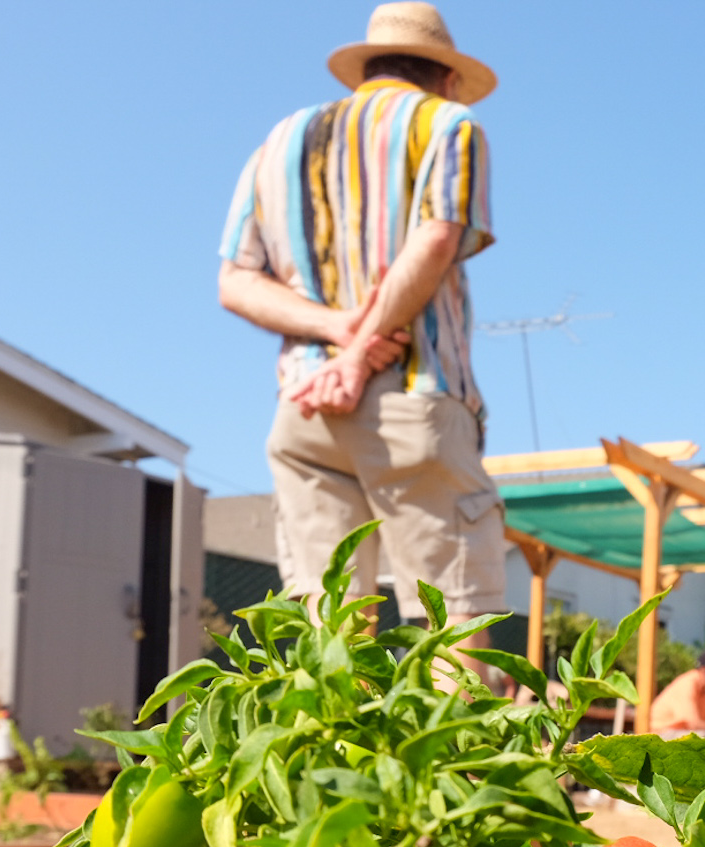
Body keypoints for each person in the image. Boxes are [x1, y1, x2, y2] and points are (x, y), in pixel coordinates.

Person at [217, 3, 506, 673]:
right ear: (449, 78)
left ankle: (329, 771)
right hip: (415, 396)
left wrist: (333, 333)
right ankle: (449, 778)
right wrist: (361, 346)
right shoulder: (449, 125)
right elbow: (435, 239)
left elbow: (235, 280)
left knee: (330, 621)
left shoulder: (281, 141)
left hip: (305, 405)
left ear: (365, 71)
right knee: (451, 615)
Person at [648, 648, 705, 735]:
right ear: (704, 670)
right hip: (664, 732)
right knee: (702, 737)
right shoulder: (687, 683)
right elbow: (693, 723)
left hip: (686, 732)